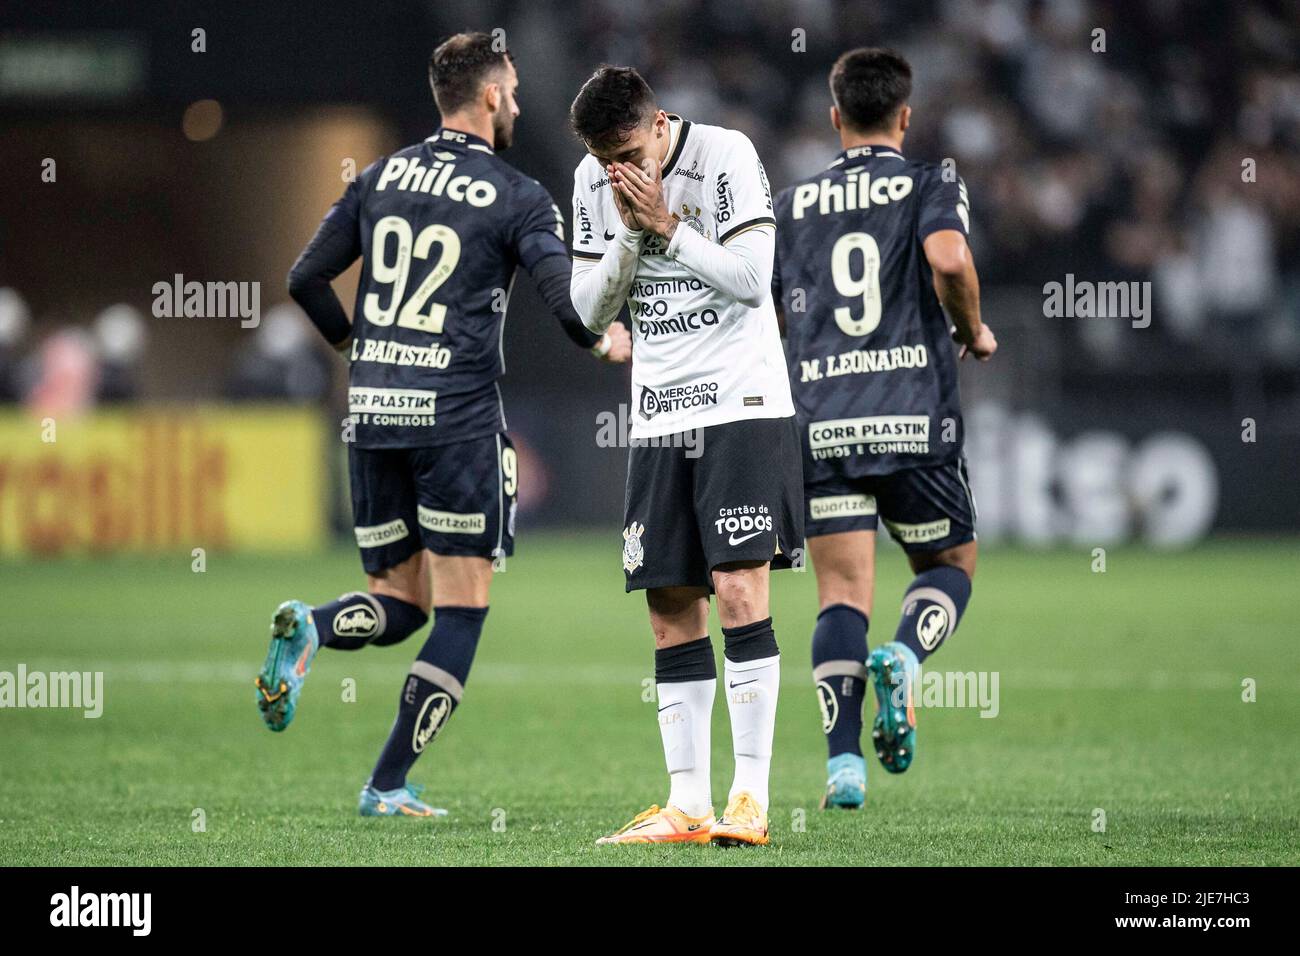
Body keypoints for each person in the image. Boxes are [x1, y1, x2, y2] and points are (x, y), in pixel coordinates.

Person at [254, 32, 630, 818]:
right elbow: (565, 303)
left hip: (374, 413)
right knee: (460, 610)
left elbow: (305, 278)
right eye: (515, 90)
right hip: (455, 420)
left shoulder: (381, 176)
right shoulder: (517, 192)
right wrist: (604, 336)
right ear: (490, 95)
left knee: (398, 603)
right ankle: (386, 784)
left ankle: (315, 629)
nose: (520, 103)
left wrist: (361, 348)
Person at [569, 66, 802, 846]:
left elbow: (752, 281)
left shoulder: (727, 155)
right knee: (670, 607)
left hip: (740, 399)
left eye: (630, 151)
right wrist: (631, 236)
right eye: (606, 159)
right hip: (659, 412)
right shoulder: (591, 180)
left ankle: (750, 797)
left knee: (739, 588)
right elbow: (588, 308)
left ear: (660, 124)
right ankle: (686, 803)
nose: (619, 172)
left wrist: (667, 225)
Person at [772, 48, 996, 809]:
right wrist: (974, 327)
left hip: (822, 423)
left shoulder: (793, 202)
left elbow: (768, 310)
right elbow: (949, 258)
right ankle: (903, 653)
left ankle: (843, 766)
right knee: (949, 566)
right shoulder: (931, 179)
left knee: (840, 596)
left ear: (835, 118)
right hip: (910, 417)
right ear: (907, 115)